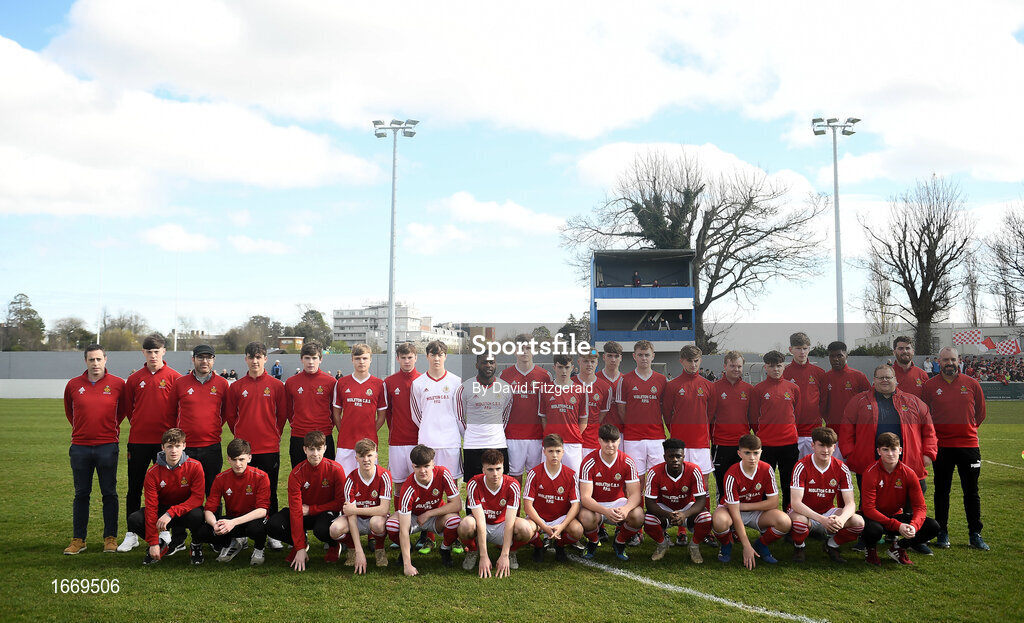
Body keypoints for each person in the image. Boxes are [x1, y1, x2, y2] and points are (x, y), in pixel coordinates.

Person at [119, 333, 182, 552]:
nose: (153, 355)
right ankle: (131, 534)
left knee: (165, 488)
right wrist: (141, 425)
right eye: (149, 352)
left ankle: (164, 531)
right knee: (134, 486)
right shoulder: (134, 379)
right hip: (138, 441)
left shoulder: (175, 378)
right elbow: (129, 409)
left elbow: (179, 410)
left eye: (157, 351)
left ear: (164, 351)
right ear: (143, 353)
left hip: (165, 445)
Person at [922, 346, 989, 551]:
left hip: (969, 446)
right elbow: (924, 414)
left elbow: (981, 413)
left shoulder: (972, 383)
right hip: (942, 447)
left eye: (952, 359)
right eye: (945, 360)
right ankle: (942, 532)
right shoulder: (930, 386)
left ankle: (975, 534)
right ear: (939, 362)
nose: (949, 363)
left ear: (958, 361)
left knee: (972, 491)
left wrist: (968, 430)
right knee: (942, 491)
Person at [63, 344, 127, 554]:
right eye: (91, 359)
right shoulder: (73, 385)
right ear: (86, 361)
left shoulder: (118, 384)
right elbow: (70, 412)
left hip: (107, 446)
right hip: (80, 447)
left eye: (99, 359)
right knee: (81, 493)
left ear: (105, 360)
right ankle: (78, 539)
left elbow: (123, 411)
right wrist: (83, 430)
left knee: (109, 492)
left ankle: (110, 538)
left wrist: (106, 429)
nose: (95, 363)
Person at [226, 341, 287, 549]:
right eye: (251, 357)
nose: (255, 361)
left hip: (269, 447)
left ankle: (272, 533)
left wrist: (274, 434)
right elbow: (230, 416)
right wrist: (240, 437)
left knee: (270, 491)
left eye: (259, 357)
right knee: (242, 491)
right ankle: (240, 533)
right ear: (246, 359)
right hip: (244, 450)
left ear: (265, 359)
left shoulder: (276, 386)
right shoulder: (236, 387)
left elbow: (282, 415)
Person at [265, 431, 346, 571]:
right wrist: (300, 547)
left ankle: (334, 545)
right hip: (303, 513)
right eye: (311, 449)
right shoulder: (296, 473)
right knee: (273, 525)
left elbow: (339, 503)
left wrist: (312, 509)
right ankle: (301, 544)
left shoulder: (336, 469)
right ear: (304, 449)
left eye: (319, 449)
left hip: (325, 513)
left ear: (325, 448)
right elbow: (296, 511)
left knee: (321, 530)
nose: (315, 454)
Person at [711, 433, 791, 569]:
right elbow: (735, 515)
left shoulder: (767, 469)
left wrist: (742, 506)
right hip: (730, 512)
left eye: (756, 453)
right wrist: (746, 546)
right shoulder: (731, 474)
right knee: (719, 521)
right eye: (747, 453)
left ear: (761, 452)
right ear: (739, 453)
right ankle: (726, 544)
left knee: (784, 521)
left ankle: (761, 545)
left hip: (752, 511)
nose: (752, 457)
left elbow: (773, 503)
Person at [126, 428, 205, 565]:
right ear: (162, 447)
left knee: (198, 515)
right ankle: (160, 543)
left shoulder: (195, 466)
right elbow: (151, 506)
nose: (174, 450)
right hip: (162, 512)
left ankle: (196, 545)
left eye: (177, 446)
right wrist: (153, 542)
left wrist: (171, 513)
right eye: (169, 446)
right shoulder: (153, 472)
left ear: (184, 446)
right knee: (134, 519)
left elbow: (197, 498)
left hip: (184, 511)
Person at [861, 432, 941, 565]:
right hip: (875, 518)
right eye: (885, 450)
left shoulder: (909, 473)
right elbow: (869, 509)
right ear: (879, 451)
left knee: (933, 526)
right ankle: (870, 549)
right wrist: (898, 525)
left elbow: (920, 507)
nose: (890, 454)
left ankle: (899, 547)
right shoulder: (870, 472)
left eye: (894, 449)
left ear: (900, 450)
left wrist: (914, 526)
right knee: (873, 529)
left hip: (896, 517)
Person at [787, 427, 863, 564]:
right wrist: (822, 520)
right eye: (821, 445)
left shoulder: (841, 468)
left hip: (827, 512)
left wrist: (842, 519)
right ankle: (799, 546)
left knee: (858, 523)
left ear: (834, 447)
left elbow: (851, 503)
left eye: (829, 446)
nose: (825, 450)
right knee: (799, 523)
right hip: (803, 513)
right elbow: (796, 503)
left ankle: (831, 545)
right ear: (813, 445)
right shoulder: (801, 466)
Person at [459, 449, 538, 577]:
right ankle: (473, 550)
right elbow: (480, 520)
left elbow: (510, 522)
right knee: (465, 525)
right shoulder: (474, 483)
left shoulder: (512, 485)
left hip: (503, 525)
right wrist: (484, 556)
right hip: (482, 525)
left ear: (503, 468)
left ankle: (511, 552)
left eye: (498, 469)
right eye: (490, 469)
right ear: (483, 470)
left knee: (525, 529)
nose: (495, 474)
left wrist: (504, 555)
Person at [385, 445, 463, 574]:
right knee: (392, 525)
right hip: (413, 518)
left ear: (433, 464)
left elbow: (456, 505)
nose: (422, 471)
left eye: (426, 466)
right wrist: (407, 565)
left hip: (435, 517)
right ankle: (407, 550)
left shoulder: (443, 473)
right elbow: (403, 529)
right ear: (412, 466)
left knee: (455, 521)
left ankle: (444, 549)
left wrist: (429, 513)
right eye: (418, 467)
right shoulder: (408, 487)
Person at [194, 438, 270, 565]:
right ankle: (232, 543)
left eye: (241, 459)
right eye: (234, 460)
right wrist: (215, 525)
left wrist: (233, 522)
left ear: (249, 458)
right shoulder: (220, 478)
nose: (238, 464)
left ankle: (259, 548)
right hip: (232, 519)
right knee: (203, 531)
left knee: (257, 528)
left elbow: (262, 510)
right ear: (228, 459)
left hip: (252, 519)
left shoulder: (261, 476)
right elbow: (209, 509)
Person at [578, 424, 645, 561]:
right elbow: (585, 497)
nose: (610, 445)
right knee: (585, 517)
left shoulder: (627, 462)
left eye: (614, 441)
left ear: (619, 441)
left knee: (638, 515)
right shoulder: (589, 462)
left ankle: (619, 542)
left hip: (617, 503)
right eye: (606, 441)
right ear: (599, 440)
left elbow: (635, 494)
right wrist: (605, 511)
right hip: (596, 506)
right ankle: (593, 541)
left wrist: (625, 509)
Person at [170, 344, 228, 500]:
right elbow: (171, 412)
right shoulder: (180, 383)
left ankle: (212, 518)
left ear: (213, 360)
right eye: (200, 357)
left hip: (212, 447)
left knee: (213, 493)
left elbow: (225, 412)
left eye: (208, 358)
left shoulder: (222, 384)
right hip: (186, 447)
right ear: (193, 359)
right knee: (184, 493)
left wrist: (211, 427)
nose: (204, 361)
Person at [329, 438, 393, 572]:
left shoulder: (384, 475)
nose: (366, 460)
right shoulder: (351, 479)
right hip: (356, 519)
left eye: (369, 455)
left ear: (376, 455)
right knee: (334, 529)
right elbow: (351, 515)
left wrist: (355, 510)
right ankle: (352, 549)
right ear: (356, 458)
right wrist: (359, 551)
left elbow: (384, 509)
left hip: (375, 518)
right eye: (362, 456)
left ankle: (379, 549)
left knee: (378, 524)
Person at [644, 438, 712, 564]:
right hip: (665, 509)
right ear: (664, 457)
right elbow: (649, 503)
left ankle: (694, 546)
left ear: (683, 456)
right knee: (648, 519)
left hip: (687, 507)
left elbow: (701, 500)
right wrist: (668, 514)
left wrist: (685, 514)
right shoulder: (654, 472)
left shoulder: (694, 470)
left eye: (678, 456)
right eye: (671, 456)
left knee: (706, 518)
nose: (675, 459)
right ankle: (662, 545)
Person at [748, 350, 800, 511]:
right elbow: (753, 416)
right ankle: (766, 514)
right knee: (764, 482)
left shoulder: (793, 388)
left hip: (789, 444)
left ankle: (789, 512)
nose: (775, 369)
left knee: (788, 481)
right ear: (765, 367)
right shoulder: (758, 389)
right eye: (771, 366)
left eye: (778, 366)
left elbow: (797, 414)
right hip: (766, 444)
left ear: (784, 366)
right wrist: (762, 433)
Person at [663, 346, 714, 504]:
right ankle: (681, 520)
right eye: (689, 361)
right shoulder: (672, 385)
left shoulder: (708, 385)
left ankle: (703, 517)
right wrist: (677, 432)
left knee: (703, 484)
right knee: (679, 483)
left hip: (701, 443)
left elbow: (711, 414)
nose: (693, 364)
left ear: (700, 360)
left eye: (696, 361)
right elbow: (667, 414)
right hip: (680, 444)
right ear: (682, 361)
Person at [523, 434, 584, 563]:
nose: (554, 455)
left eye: (558, 451)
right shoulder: (534, 473)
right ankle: (539, 546)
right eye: (550, 451)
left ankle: (559, 545)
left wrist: (562, 526)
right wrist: (544, 527)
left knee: (577, 531)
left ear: (563, 452)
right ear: (544, 452)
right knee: (523, 530)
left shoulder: (571, 474)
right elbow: (527, 506)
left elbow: (575, 505)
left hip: (560, 518)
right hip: (539, 518)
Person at [500, 334, 552, 480]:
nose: (524, 351)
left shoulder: (545, 376)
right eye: (521, 348)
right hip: (512, 436)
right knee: (514, 477)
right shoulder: (504, 375)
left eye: (528, 348)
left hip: (537, 436)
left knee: (535, 477)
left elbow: (549, 407)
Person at [411, 340, 463, 480]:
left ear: (445, 356)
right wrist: (429, 426)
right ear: (427, 356)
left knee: (452, 481)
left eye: (440, 355)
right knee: (429, 481)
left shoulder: (456, 382)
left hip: (450, 442)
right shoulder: (418, 383)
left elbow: (460, 414)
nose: (436, 359)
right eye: (433, 355)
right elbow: (416, 415)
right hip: (428, 442)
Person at [457, 352, 513, 481]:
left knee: (499, 483)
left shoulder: (506, 388)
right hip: (473, 445)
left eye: (491, 362)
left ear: (496, 364)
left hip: (497, 443)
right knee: (473, 484)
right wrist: (471, 434)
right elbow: (459, 417)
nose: (488, 365)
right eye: (484, 362)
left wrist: (494, 432)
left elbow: (505, 417)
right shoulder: (465, 387)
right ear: (477, 365)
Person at [333, 344, 387, 474]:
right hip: (345, 443)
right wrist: (344, 430)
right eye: (357, 358)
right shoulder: (341, 383)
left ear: (370, 359)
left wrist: (370, 430)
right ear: (352, 360)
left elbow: (381, 416)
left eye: (365, 358)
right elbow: (336, 414)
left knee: (368, 478)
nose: (361, 362)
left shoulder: (379, 384)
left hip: (369, 443)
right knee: (343, 479)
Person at [615, 340, 667, 475]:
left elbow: (665, 408)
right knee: (637, 478)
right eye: (640, 355)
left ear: (653, 356)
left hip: (656, 437)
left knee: (657, 476)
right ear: (634, 356)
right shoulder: (625, 380)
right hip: (633, 438)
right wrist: (632, 424)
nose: (644, 358)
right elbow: (621, 409)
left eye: (647, 355)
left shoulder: (662, 380)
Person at [284, 341, 337, 470]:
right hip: (299, 436)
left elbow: (334, 410)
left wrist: (326, 426)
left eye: (314, 358)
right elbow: (288, 410)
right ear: (301, 359)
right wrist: (299, 424)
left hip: (324, 435)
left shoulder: (331, 382)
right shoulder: (291, 382)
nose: (311, 362)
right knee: (299, 474)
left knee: (326, 477)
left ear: (321, 359)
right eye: (307, 358)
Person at [709, 351, 753, 505]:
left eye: (739, 366)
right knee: (722, 486)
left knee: (743, 484)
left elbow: (753, 417)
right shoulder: (714, 388)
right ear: (725, 366)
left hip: (742, 445)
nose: (736, 369)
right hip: (721, 445)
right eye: (732, 366)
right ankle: (722, 517)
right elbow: (709, 417)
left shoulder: (749, 389)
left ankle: (741, 515)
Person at [383, 342, 422, 506]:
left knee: (420, 482)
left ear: (416, 358)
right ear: (397, 358)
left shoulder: (423, 380)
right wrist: (395, 430)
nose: (407, 361)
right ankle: (400, 517)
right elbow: (388, 412)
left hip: (419, 441)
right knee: (398, 485)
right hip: (397, 442)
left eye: (410, 357)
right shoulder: (389, 382)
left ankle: (422, 521)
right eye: (403, 357)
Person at [820, 341, 870, 460]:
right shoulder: (825, 378)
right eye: (832, 356)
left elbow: (869, 403)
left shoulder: (859, 376)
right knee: (834, 467)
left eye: (839, 356)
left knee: (856, 466)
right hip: (834, 433)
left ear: (846, 356)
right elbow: (823, 406)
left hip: (855, 433)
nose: (835, 359)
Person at [538, 354, 589, 472]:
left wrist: (572, 433)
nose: (564, 371)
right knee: (549, 477)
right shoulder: (545, 389)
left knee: (574, 477)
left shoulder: (581, 390)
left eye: (567, 367)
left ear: (572, 368)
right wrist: (551, 436)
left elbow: (583, 420)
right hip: (550, 443)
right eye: (560, 367)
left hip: (572, 443)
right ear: (554, 367)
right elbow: (543, 418)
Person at [783, 332, 826, 459]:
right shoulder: (784, 372)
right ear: (790, 350)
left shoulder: (819, 373)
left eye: (805, 348)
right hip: (792, 432)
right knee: (794, 468)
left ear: (809, 349)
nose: (802, 352)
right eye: (798, 348)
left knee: (814, 468)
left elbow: (824, 401)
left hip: (814, 432)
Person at [573, 351, 613, 456]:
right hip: (571, 440)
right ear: (579, 362)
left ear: (597, 363)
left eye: (592, 361)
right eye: (586, 361)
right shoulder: (569, 384)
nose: (589, 364)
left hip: (592, 441)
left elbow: (601, 416)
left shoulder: (605, 388)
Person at [597, 341, 625, 439]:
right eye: (609, 356)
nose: (613, 359)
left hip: (621, 432)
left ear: (621, 358)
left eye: (616, 356)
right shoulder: (595, 379)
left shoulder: (626, 380)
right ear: (604, 357)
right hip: (600, 432)